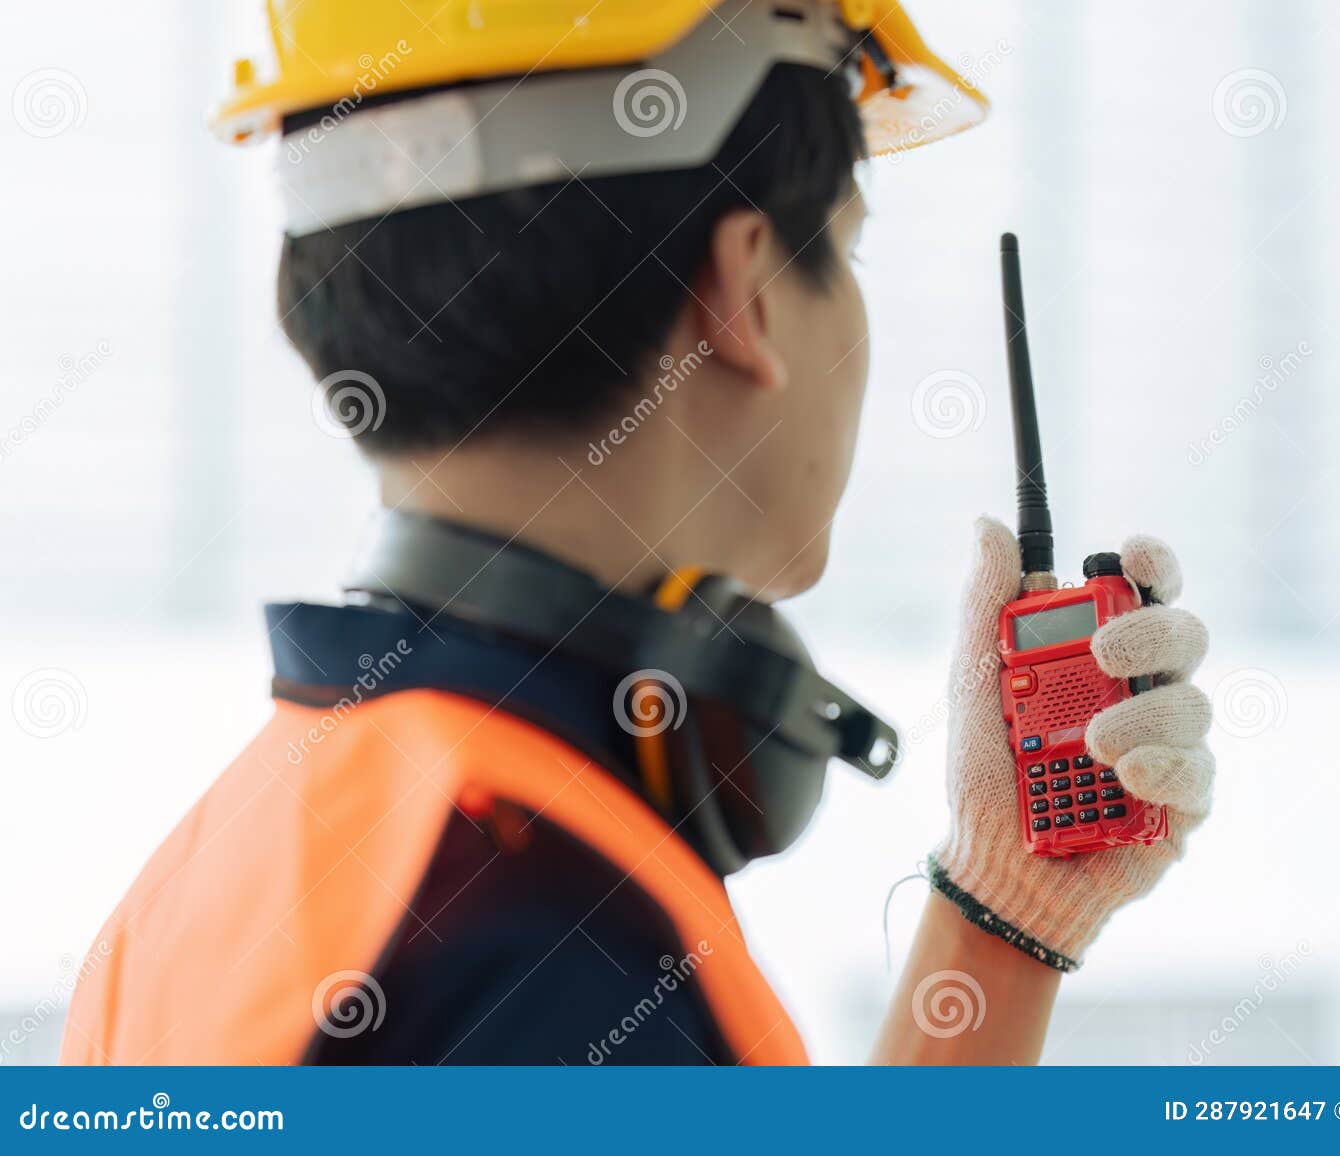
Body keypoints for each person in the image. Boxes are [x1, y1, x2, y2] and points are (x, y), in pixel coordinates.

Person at [61, 0, 1215, 1066]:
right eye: (849, 248)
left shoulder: (214, 878)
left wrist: (1002, 916)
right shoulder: (551, 940)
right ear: (746, 289)